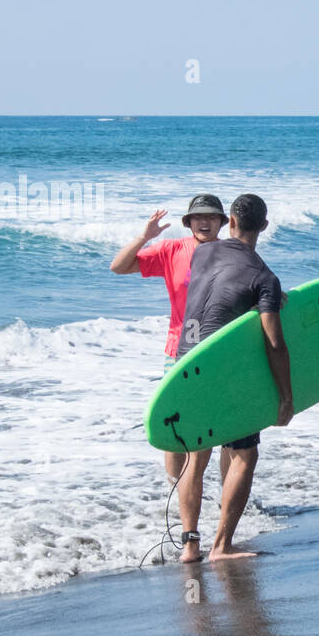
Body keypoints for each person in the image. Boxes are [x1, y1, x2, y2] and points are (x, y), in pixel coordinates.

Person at [175, 194, 294, 564]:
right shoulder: (264, 277)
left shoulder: (202, 253)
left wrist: (269, 300)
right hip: (224, 371)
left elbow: (221, 295)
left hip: (187, 362)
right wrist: (286, 398)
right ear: (265, 226)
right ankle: (222, 546)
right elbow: (274, 342)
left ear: (229, 220)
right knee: (244, 454)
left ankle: (190, 546)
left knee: (196, 456)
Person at [110, 194, 225, 481]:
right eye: (198, 217)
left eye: (211, 216)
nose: (204, 221)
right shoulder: (172, 250)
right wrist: (144, 236)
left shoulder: (233, 254)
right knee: (175, 425)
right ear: (188, 223)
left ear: (222, 222)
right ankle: (176, 492)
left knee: (210, 426)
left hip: (220, 349)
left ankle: (197, 488)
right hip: (178, 351)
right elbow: (119, 266)